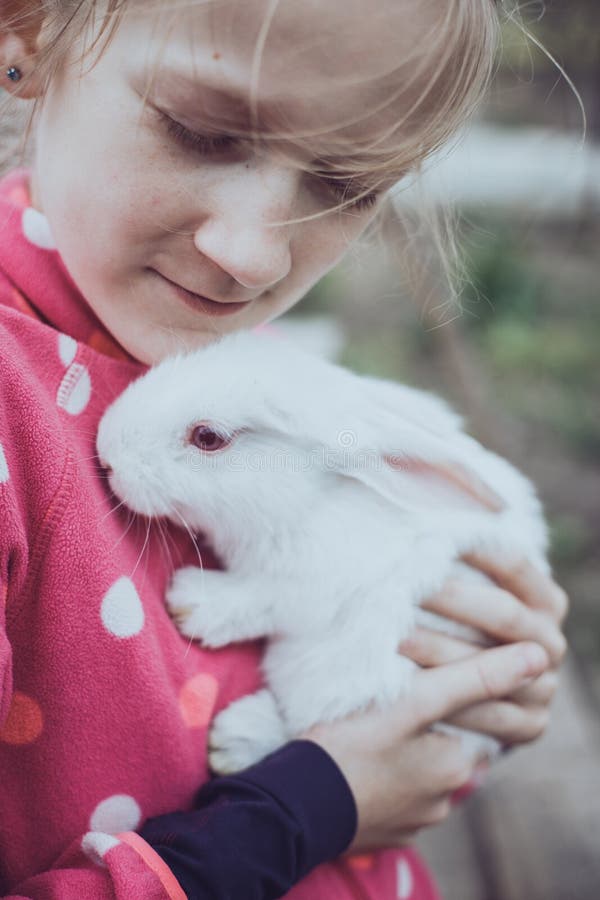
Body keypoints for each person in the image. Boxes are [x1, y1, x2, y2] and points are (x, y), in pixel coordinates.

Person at [0, 1, 568, 898]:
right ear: (29, 32)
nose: (254, 256)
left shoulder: (227, 353)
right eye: (200, 132)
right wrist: (304, 807)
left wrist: (486, 674)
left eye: (349, 186)